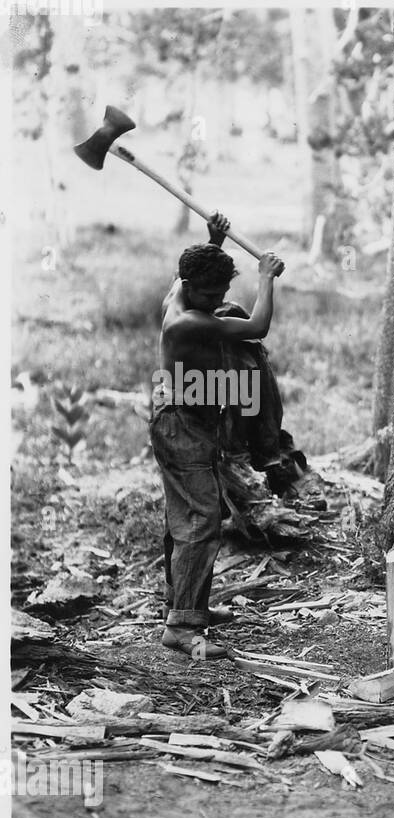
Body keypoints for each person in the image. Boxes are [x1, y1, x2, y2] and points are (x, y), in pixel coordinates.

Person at [154, 213, 283, 660]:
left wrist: (213, 242)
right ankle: (181, 627)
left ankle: (189, 608)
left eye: (221, 292)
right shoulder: (188, 323)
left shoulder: (181, 292)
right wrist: (265, 277)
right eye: (209, 293)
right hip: (182, 425)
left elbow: (186, 275)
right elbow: (257, 326)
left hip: (188, 422)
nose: (216, 301)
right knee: (200, 522)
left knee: (190, 517)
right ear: (190, 287)